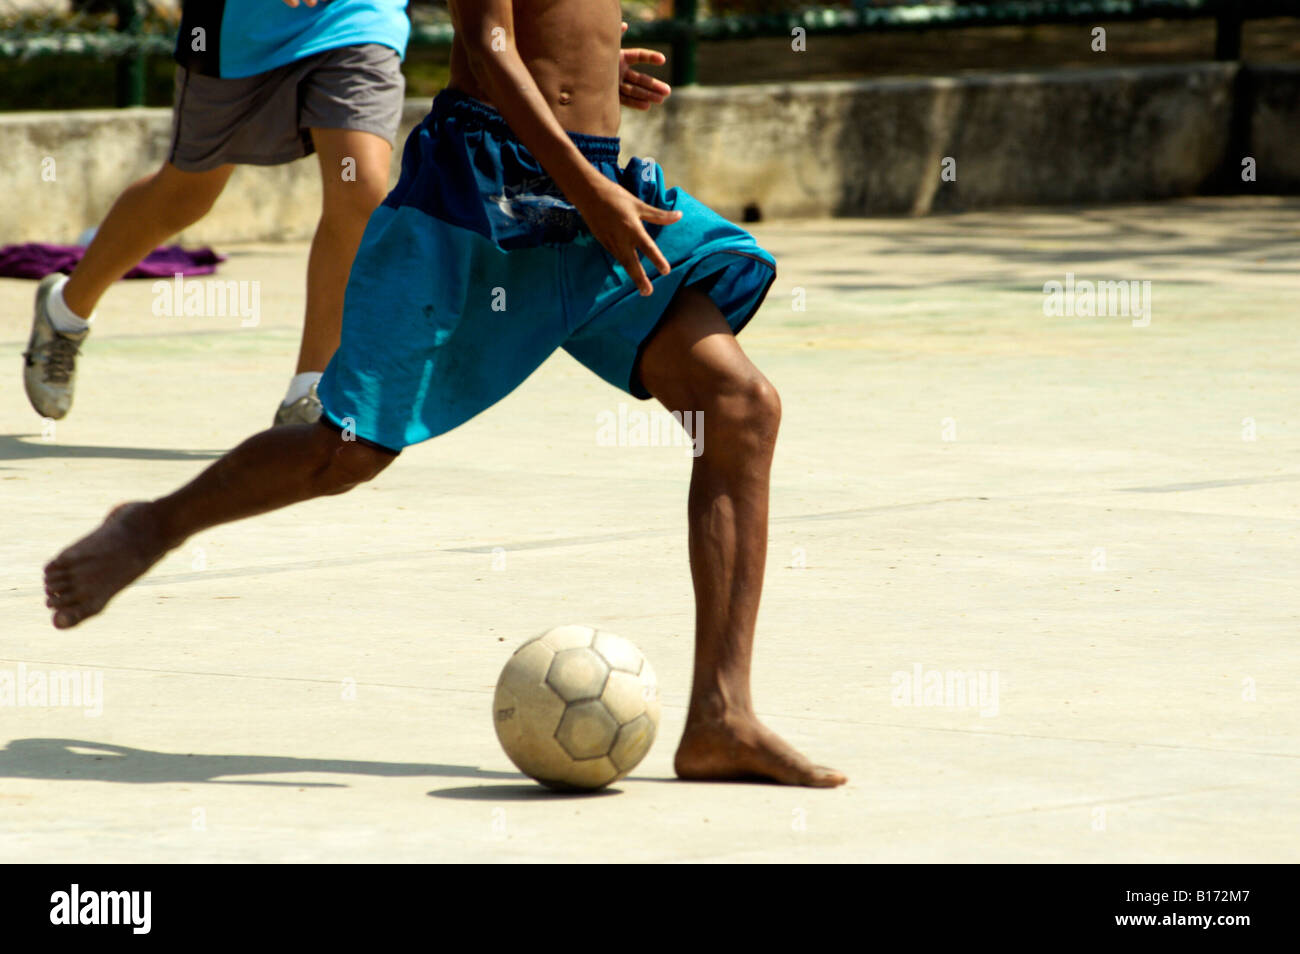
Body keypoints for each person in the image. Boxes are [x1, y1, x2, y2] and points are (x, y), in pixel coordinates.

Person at [43, 0, 846, 788]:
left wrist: (597, 70)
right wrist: (585, 186)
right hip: (481, 191)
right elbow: (487, 38)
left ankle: (721, 716)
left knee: (738, 407)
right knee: (344, 453)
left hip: (593, 184)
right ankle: (152, 525)